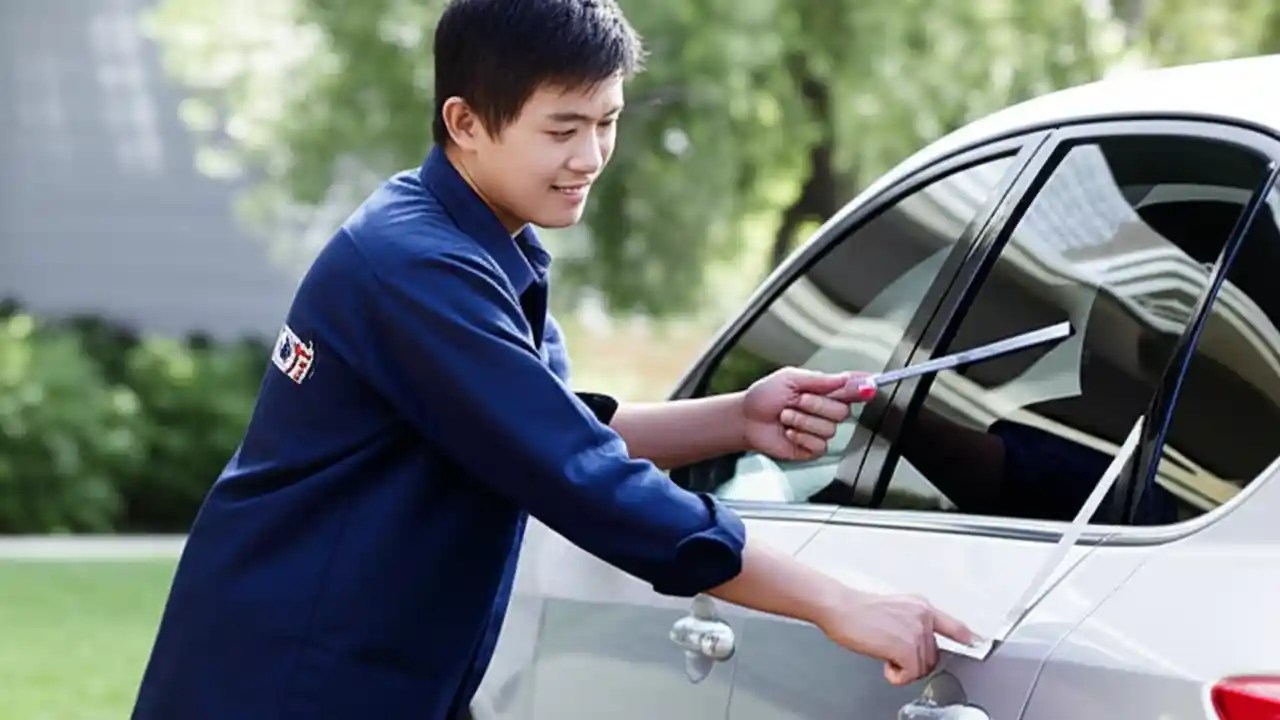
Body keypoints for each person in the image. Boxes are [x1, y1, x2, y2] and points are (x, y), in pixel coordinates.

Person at [131, 1, 974, 717]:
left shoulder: (483, 242)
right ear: (465, 122)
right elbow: (576, 475)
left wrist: (738, 418)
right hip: (290, 679)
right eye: (562, 129)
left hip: (356, 670)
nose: (591, 157)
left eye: (606, 122)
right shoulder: (415, 266)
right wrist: (834, 602)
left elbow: (547, 426)